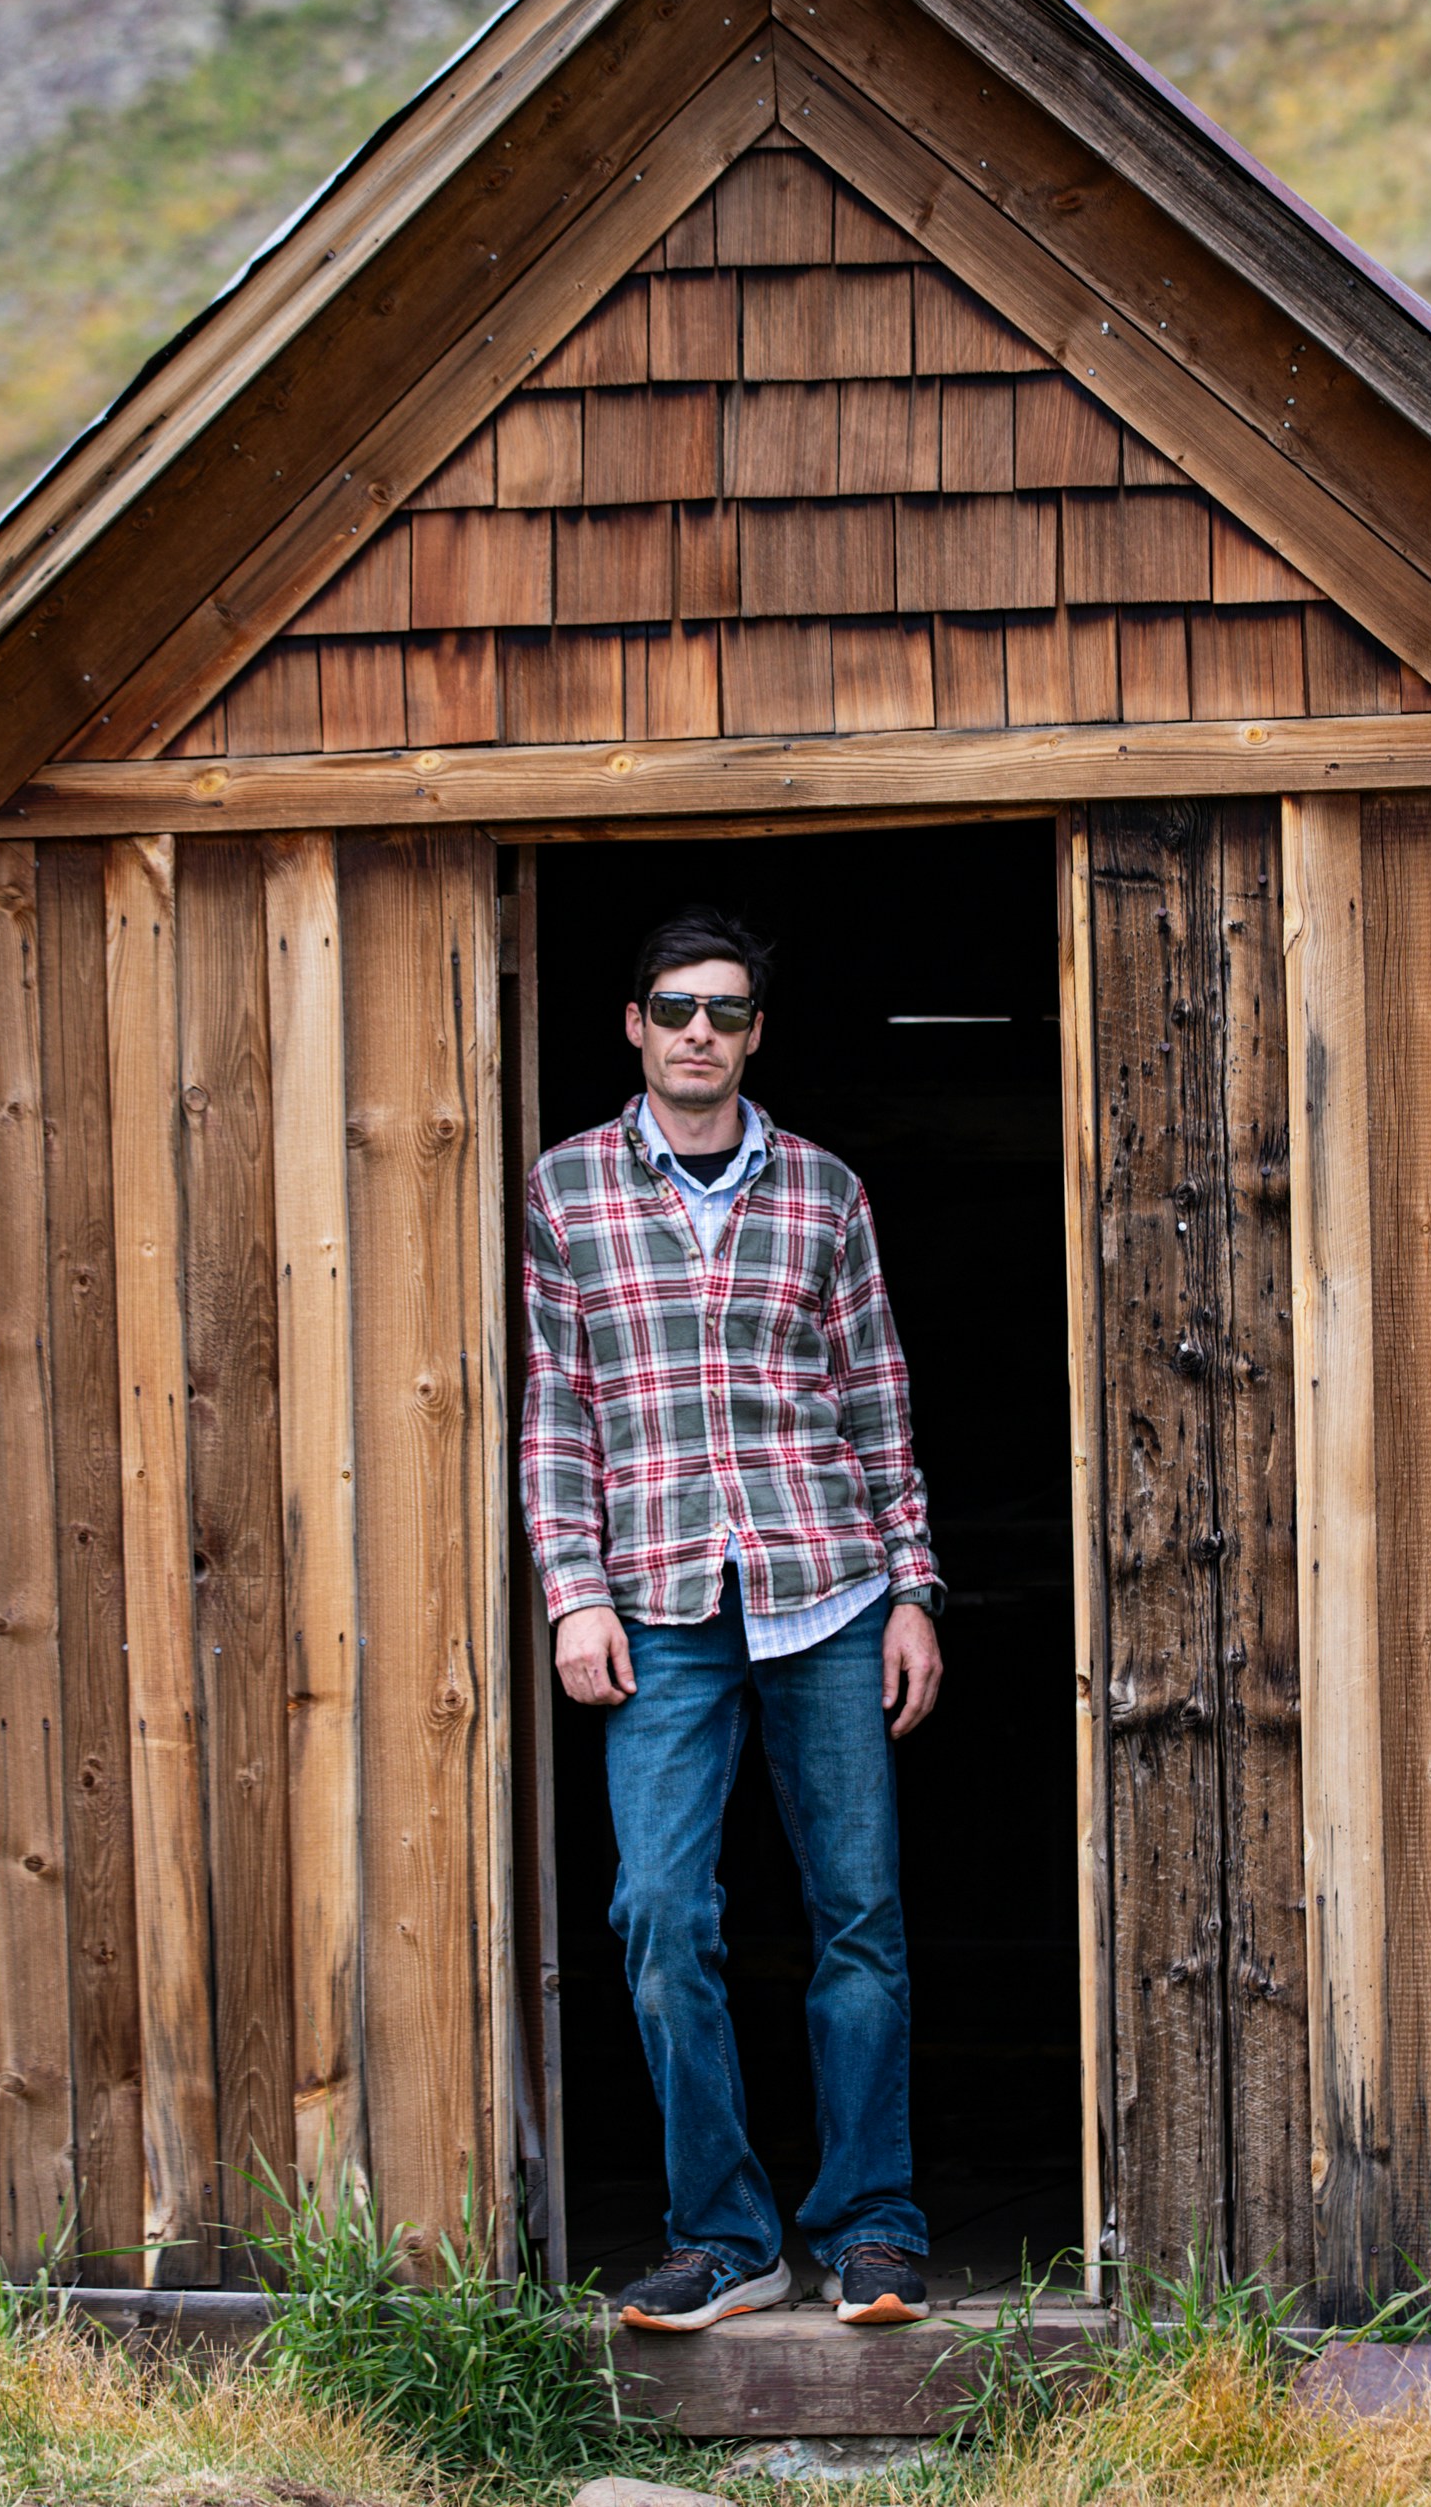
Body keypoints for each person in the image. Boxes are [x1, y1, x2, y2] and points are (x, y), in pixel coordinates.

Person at [519, 906, 946, 2333]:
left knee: (860, 1917)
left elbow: (878, 1399)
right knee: (656, 1916)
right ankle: (725, 2236)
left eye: (727, 1008)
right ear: (633, 1026)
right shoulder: (566, 1189)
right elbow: (558, 1411)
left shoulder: (824, 1192)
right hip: (658, 1598)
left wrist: (914, 1592)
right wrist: (573, 1591)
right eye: (674, 1005)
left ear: (758, 1032)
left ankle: (872, 2228)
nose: (700, 1028)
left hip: (826, 1588)